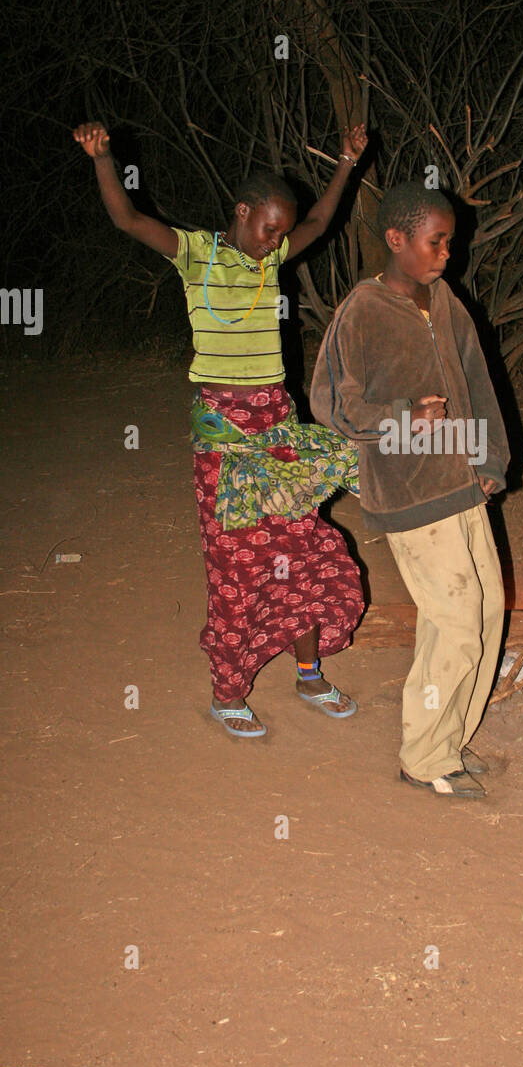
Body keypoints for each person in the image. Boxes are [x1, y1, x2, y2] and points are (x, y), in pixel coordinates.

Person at [73, 119, 368, 738]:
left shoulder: (275, 255)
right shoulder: (196, 254)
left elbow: (318, 225)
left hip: (277, 424)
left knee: (301, 549)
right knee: (237, 566)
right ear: (241, 212)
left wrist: (344, 161)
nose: (275, 243)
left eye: (280, 234)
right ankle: (227, 692)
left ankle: (309, 672)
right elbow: (128, 221)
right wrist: (103, 158)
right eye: (268, 229)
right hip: (226, 437)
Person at [310, 181, 509, 798]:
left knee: (489, 611)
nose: (447, 253)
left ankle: (449, 741)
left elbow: (477, 379)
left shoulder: (444, 299)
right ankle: (424, 759)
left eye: (451, 241)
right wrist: (400, 416)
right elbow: (331, 405)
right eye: (436, 241)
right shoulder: (361, 312)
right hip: (406, 490)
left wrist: (489, 455)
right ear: (395, 239)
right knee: (454, 623)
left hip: (460, 481)